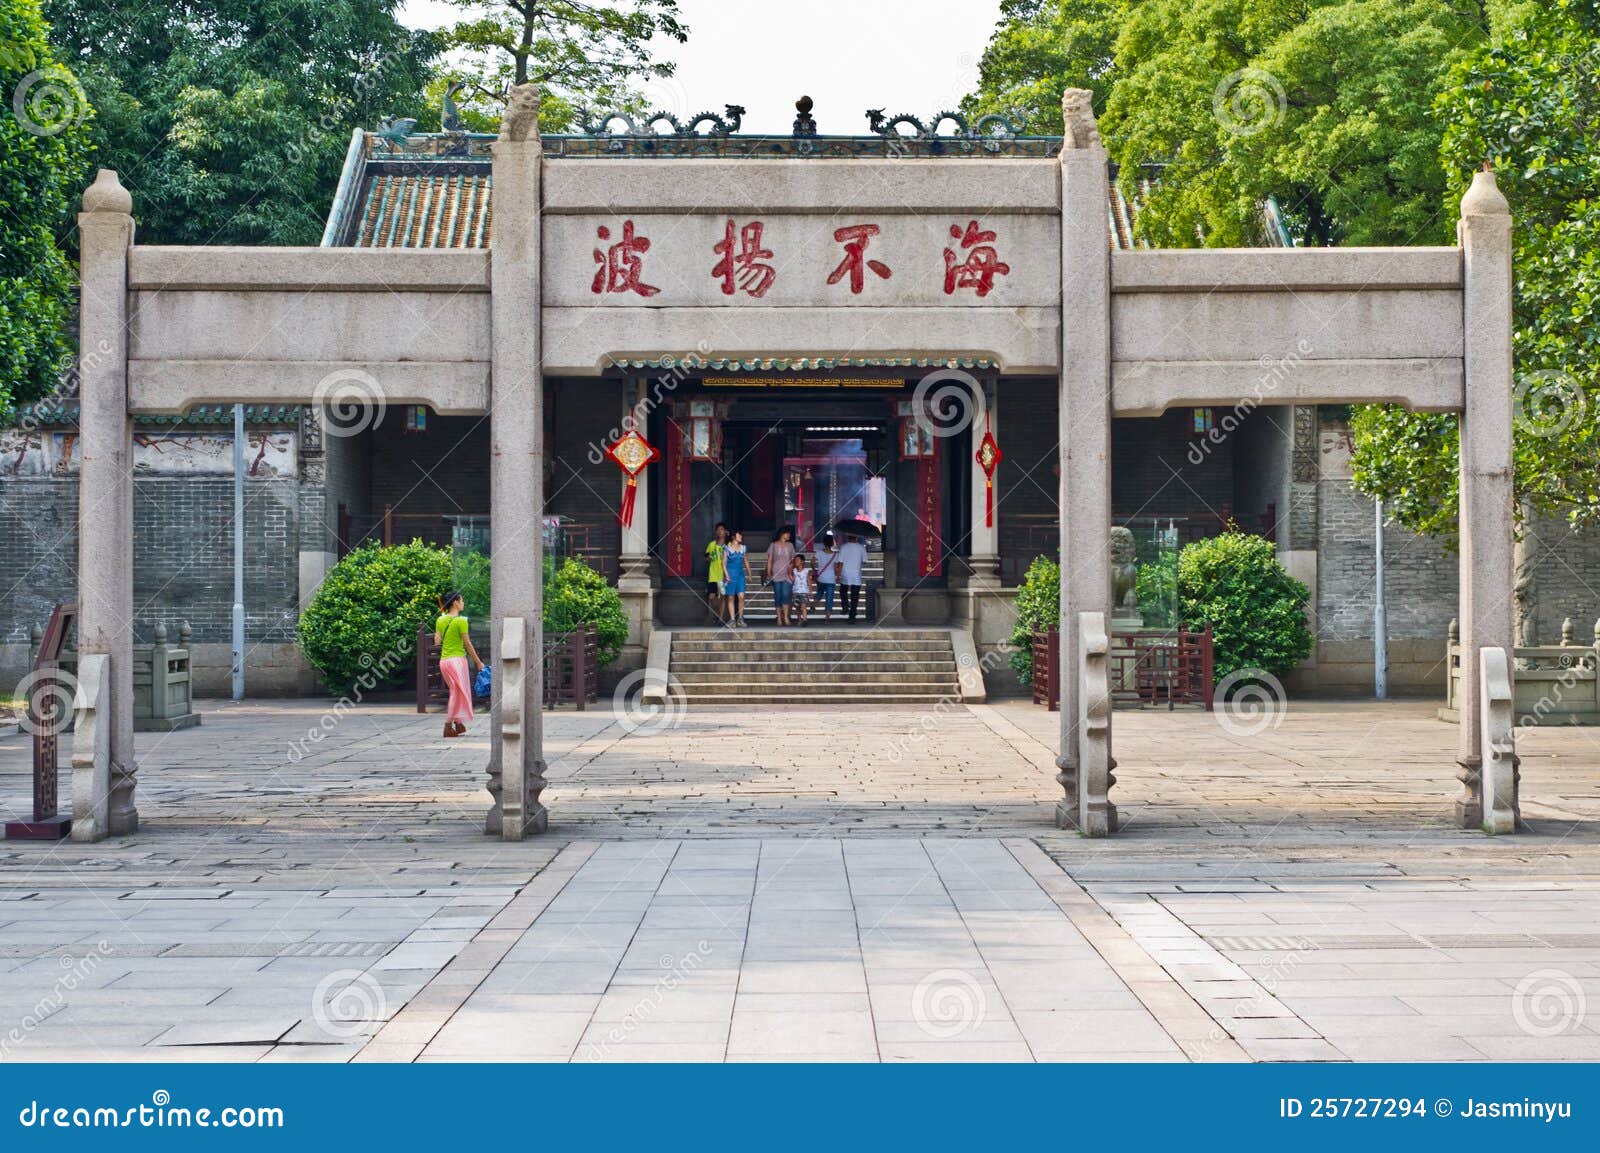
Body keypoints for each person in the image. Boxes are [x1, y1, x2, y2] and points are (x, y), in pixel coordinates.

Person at [434, 591, 482, 738]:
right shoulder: (461, 621)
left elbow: (437, 642)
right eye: (461, 600)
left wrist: (441, 628)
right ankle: (448, 725)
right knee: (457, 692)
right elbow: (467, 643)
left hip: (444, 662)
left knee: (456, 692)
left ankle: (458, 723)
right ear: (455, 602)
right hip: (457, 661)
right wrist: (478, 661)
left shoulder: (440, 620)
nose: (463, 602)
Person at [766, 526, 797, 626]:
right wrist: (769, 572)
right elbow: (770, 560)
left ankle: (786, 617)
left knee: (785, 595)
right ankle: (779, 618)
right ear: (782, 534)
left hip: (787, 574)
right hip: (776, 574)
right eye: (787, 533)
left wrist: (792, 569)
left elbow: (793, 559)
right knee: (778, 596)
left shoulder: (790, 545)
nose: (789, 535)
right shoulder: (773, 545)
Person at [837, 533, 868, 623]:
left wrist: (838, 575)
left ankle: (845, 605)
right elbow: (865, 561)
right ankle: (852, 615)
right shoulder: (861, 547)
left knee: (843, 591)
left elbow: (840, 562)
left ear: (848, 537)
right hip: (856, 574)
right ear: (857, 537)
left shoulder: (844, 547)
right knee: (855, 596)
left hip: (845, 574)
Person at [722, 529, 749, 627]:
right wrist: (726, 575)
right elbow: (723, 563)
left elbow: (745, 561)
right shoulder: (727, 548)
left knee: (741, 597)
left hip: (740, 575)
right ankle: (732, 619)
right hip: (730, 575)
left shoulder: (743, 548)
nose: (741, 536)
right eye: (739, 535)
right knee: (730, 597)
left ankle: (740, 618)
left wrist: (749, 573)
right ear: (733, 537)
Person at [704, 522, 730, 624]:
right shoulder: (712, 544)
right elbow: (705, 557)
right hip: (713, 575)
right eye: (718, 529)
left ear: (726, 532)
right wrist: (708, 558)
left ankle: (720, 618)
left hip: (723, 575)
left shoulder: (728, 545)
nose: (720, 531)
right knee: (711, 597)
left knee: (723, 596)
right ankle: (717, 614)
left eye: (722, 529)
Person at [813, 532, 839, 621]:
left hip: (821, 578)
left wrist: (815, 570)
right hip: (831, 579)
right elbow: (836, 568)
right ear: (832, 543)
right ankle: (827, 617)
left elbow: (812, 562)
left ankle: (813, 606)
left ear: (823, 543)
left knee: (819, 593)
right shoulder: (835, 555)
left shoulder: (819, 552)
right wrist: (838, 575)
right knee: (829, 598)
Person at [790, 553, 812, 625]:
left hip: (804, 591)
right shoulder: (794, 571)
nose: (796, 561)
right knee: (797, 607)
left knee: (803, 606)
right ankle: (799, 620)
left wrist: (810, 590)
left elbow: (809, 581)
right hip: (796, 591)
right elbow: (792, 580)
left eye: (798, 560)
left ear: (802, 561)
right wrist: (789, 572)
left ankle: (805, 619)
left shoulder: (806, 571)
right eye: (795, 560)